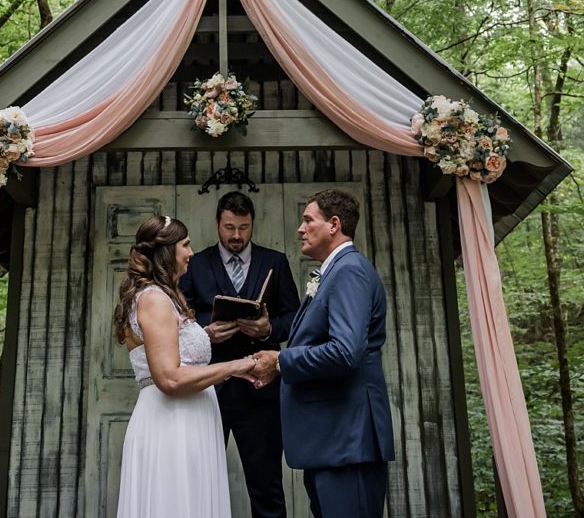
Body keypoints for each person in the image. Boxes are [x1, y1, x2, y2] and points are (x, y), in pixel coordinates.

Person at [251, 189, 394, 518]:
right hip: (331, 441)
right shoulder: (332, 272)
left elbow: (346, 352)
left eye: (307, 220)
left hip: (348, 439)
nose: (300, 229)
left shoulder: (349, 271)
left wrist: (280, 361)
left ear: (333, 224)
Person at [113, 214, 258, 518]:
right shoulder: (154, 299)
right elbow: (171, 378)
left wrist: (204, 336)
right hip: (172, 426)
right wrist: (235, 366)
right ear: (167, 251)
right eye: (186, 245)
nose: (191, 253)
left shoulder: (166, 296)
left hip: (188, 422)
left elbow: (171, 348)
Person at [179, 191, 302, 518]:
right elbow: (179, 319)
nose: (236, 236)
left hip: (260, 391)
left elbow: (294, 319)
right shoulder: (196, 263)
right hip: (207, 391)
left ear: (252, 225)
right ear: (218, 223)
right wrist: (205, 331)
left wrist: (267, 329)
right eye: (229, 227)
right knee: (199, 482)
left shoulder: (275, 262)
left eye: (243, 228)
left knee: (267, 487)